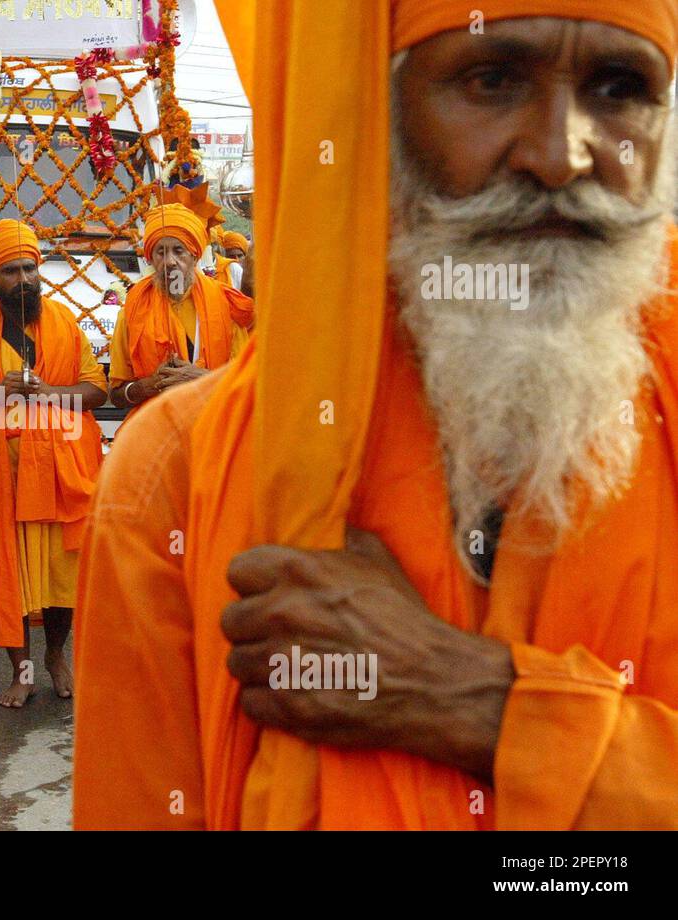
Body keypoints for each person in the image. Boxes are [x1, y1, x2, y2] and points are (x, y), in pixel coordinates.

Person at [75, 0, 678, 829]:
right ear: (376, 119)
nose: (561, 154)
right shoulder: (176, 475)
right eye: (492, 79)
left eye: (621, 87)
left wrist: (477, 702)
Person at [0, 220, 106, 707]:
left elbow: (96, 391)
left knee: (57, 579)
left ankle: (55, 656)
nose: (25, 279)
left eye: (30, 267)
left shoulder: (66, 324)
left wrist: (50, 394)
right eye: (11, 271)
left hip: (60, 476)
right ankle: (22, 671)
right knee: (9, 579)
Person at [108, 204, 253, 413]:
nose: (169, 262)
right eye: (160, 252)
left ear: (194, 255)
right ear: (150, 258)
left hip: (212, 427)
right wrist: (146, 386)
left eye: (178, 251)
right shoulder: (133, 308)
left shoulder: (225, 303)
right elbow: (117, 395)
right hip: (156, 430)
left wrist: (202, 379)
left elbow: (246, 384)